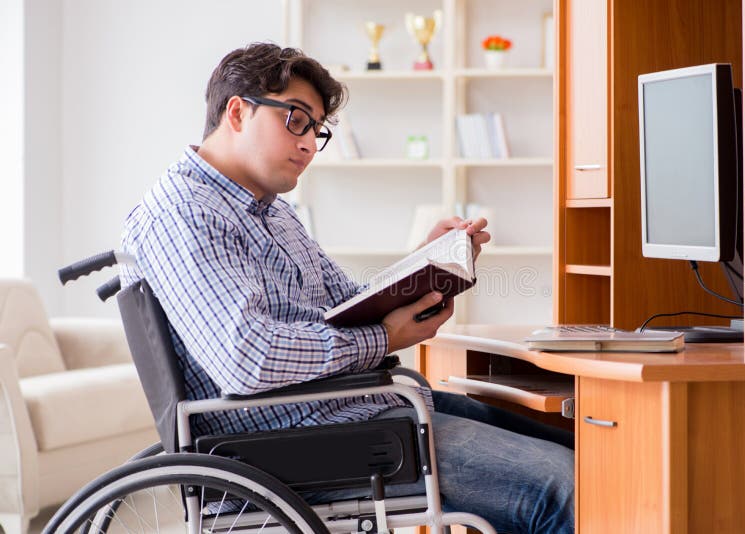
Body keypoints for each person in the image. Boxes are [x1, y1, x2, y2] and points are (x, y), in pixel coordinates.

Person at [120, 42, 574, 533]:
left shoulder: (268, 211)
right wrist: (384, 339)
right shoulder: (183, 215)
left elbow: (344, 301)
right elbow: (248, 358)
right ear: (237, 112)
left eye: (317, 130)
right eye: (296, 119)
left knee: (575, 445)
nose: (309, 143)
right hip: (299, 442)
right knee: (563, 487)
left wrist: (424, 262)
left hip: (355, 414)